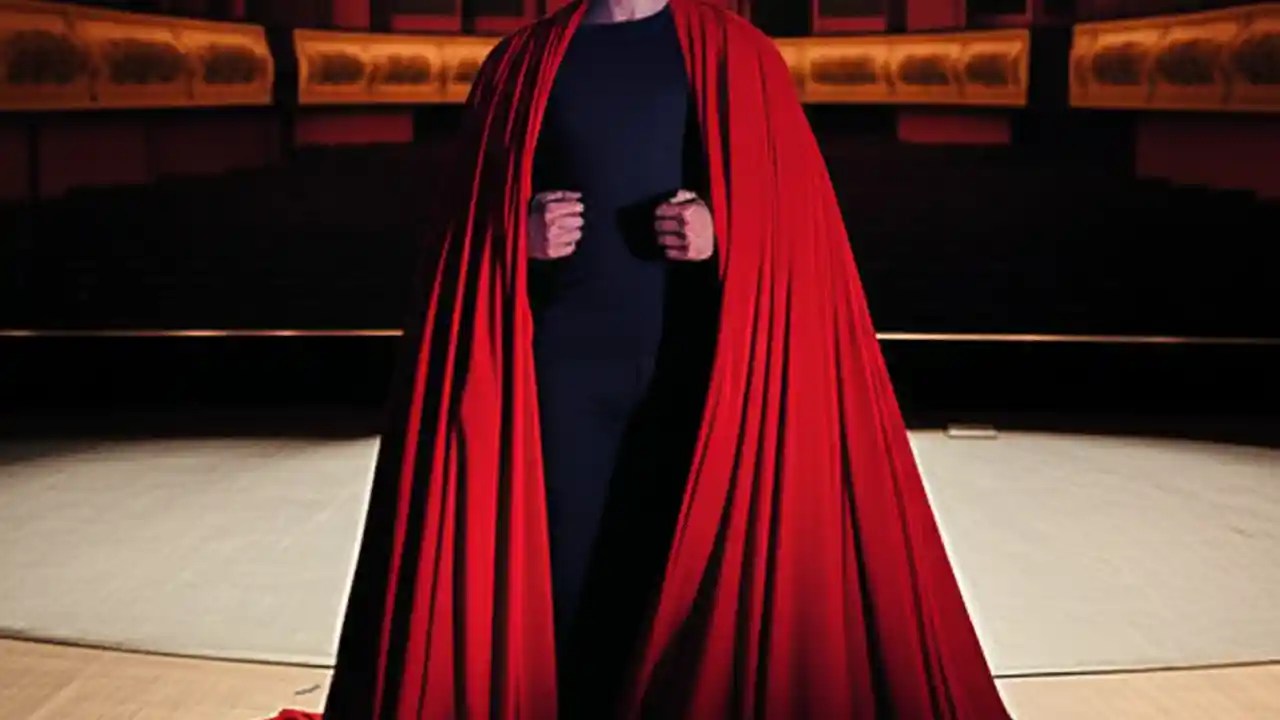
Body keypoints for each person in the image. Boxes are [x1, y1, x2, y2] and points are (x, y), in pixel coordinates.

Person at [271, 0, 1012, 718]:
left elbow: (796, 224)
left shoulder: (741, 56)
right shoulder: (520, 63)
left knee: (672, 573)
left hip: (696, 368)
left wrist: (722, 232)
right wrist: (517, 231)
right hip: (559, 371)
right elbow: (462, 231)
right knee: (565, 578)